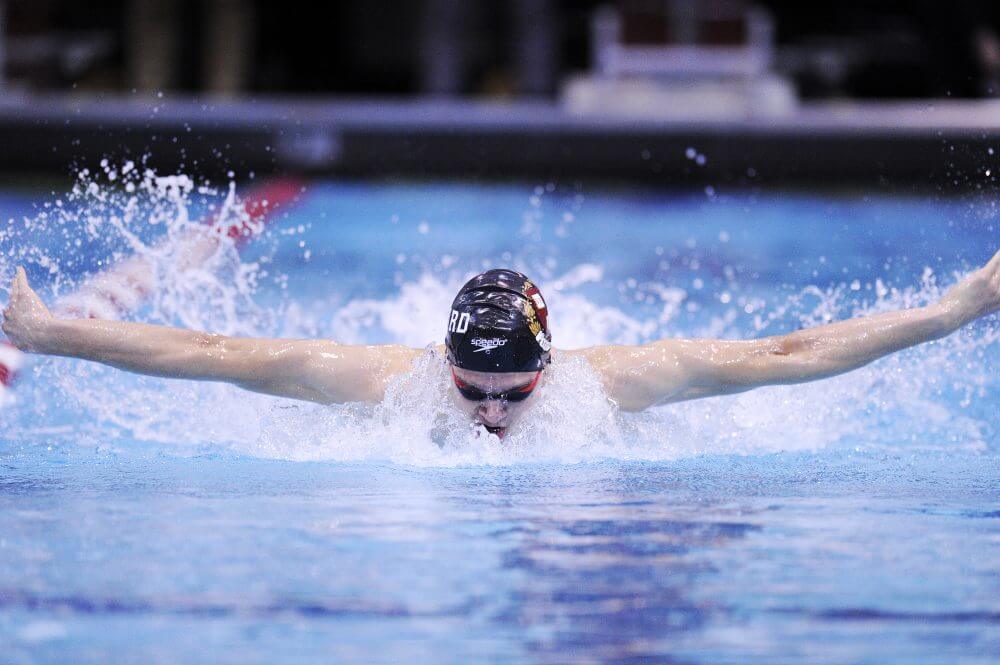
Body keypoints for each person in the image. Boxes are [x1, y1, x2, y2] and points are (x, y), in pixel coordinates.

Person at [3, 251, 999, 438]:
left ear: (549, 367)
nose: (487, 415)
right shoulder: (389, 384)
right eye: (472, 389)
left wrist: (953, 310)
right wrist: (48, 334)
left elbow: (788, 352)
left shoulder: (615, 385)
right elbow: (209, 348)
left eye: (511, 394)